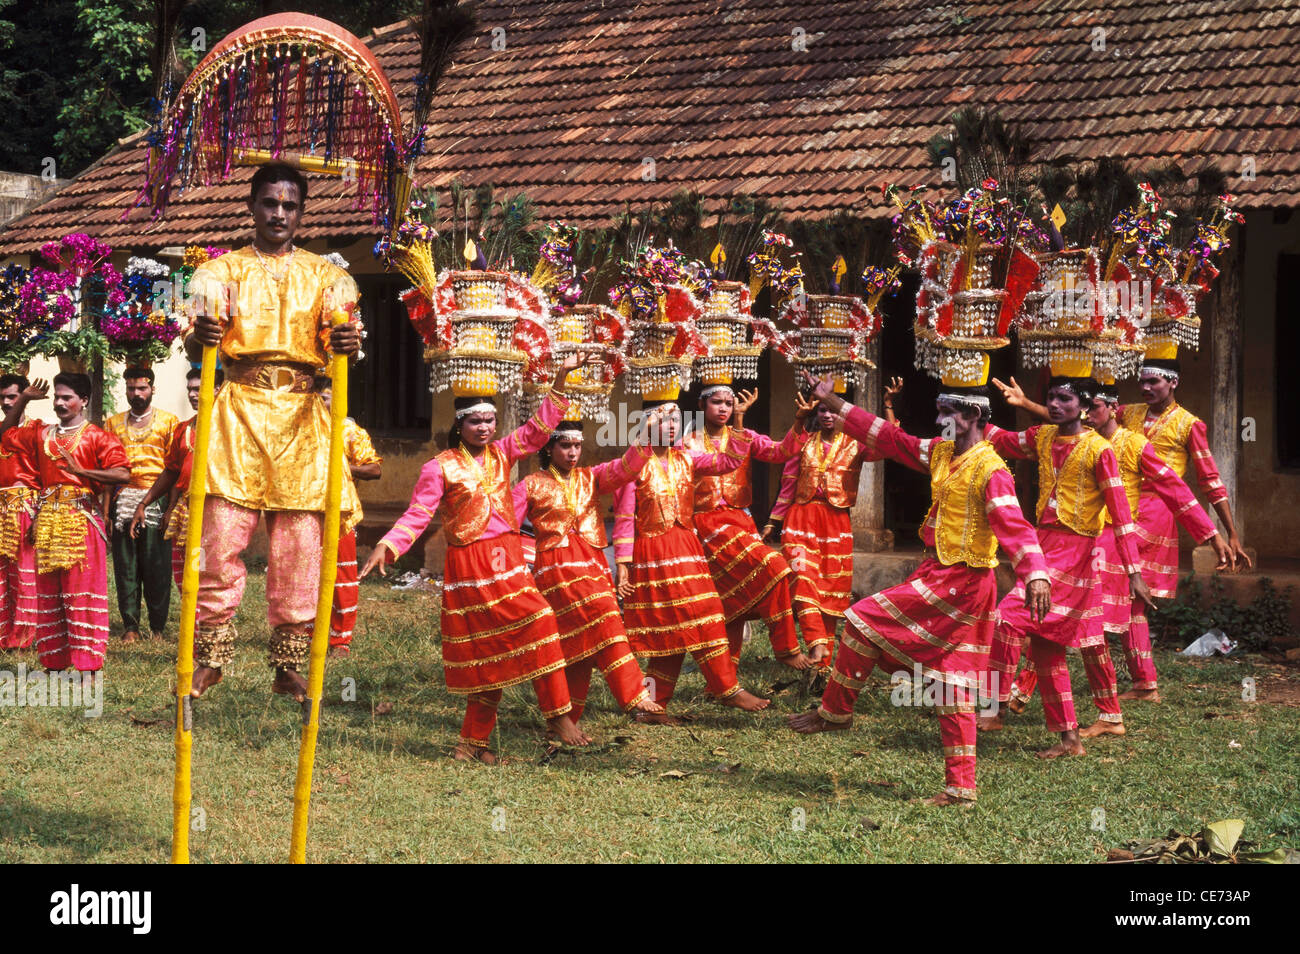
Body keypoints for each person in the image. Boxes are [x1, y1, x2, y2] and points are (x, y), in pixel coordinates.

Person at [788, 376, 1050, 806]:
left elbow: (1015, 527)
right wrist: (834, 400)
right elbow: (890, 438)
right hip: (938, 574)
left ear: (973, 416)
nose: (939, 418)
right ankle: (960, 789)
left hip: (964, 583)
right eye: (940, 410)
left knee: (861, 618)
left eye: (948, 412)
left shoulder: (992, 469)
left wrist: (1036, 572)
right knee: (954, 685)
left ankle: (836, 713)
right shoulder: (942, 452)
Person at [183, 161, 363, 701]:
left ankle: (290, 662)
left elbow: (346, 343)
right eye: (269, 203)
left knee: (301, 547)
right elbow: (195, 343)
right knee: (219, 540)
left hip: (304, 417)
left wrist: (348, 346)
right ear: (252, 206)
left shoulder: (331, 276)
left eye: (289, 205)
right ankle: (210, 656)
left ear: (301, 212)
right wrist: (202, 335)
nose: (278, 213)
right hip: (237, 409)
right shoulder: (217, 272)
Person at [360, 355, 594, 763]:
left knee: (528, 627)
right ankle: (512, 730)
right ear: (460, 425)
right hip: (470, 563)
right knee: (500, 642)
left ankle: (512, 730)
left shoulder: (505, 453)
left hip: (507, 556)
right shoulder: (440, 467)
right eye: (475, 422)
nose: (484, 428)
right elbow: (419, 512)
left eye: (489, 421)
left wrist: (559, 378)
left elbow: (538, 432)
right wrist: (390, 544)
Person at [996, 367, 1242, 701]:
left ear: (1110, 408)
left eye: (1092, 407)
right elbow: (1060, 414)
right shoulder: (1089, 433)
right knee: (1101, 614)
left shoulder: (1136, 442)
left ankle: (1044, 690)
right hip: (1084, 537)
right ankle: (1131, 690)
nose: (1085, 413)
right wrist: (1026, 404)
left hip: (1121, 533)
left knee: (1095, 617)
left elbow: (1177, 489)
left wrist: (1215, 535)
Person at [980, 377, 1150, 758]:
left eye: (1065, 398)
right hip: (1043, 548)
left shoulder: (1100, 450)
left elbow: (1121, 517)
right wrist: (974, 411)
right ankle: (1070, 740)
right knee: (1046, 650)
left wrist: (1134, 574)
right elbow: (1005, 440)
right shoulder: (1042, 437)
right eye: (1052, 397)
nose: (1055, 404)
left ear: (1085, 406)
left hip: (1075, 556)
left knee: (1007, 618)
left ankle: (995, 705)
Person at [611, 399, 771, 714]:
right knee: (681, 624)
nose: (672, 427)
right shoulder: (633, 466)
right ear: (647, 426)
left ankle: (682, 698)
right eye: (664, 421)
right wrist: (623, 567)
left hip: (686, 546)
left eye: (676, 422)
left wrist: (738, 419)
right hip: (653, 552)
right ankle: (705, 694)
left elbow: (728, 462)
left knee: (695, 619)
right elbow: (625, 518)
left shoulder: (688, 458)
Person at [512, 418, 665, 724]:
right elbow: (506, 527)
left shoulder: (592, 477)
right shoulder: (530, 484)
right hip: (556, 568)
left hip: (595, 565)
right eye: (565, 445)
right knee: (606, 613)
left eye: (577, 446)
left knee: (578, 645)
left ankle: (566, 719)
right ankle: (636, 694)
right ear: (549, 447)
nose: (572, 453)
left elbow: (626, 468)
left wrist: (645, 437)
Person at [0, 375, 130, 671]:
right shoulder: (42, 434)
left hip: (80, 520)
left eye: (67, 398)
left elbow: (123, 474)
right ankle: (55, 663)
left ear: (83, 401)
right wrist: (23, 400)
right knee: (49, 596)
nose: (59, 403)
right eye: (57, 398)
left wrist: (81, 470)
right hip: (47, 521)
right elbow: (4, 435)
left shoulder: (97, 436)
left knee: (80, 594)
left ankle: (88, 666)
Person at [684, 384, 815, 670]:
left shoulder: (747, 437)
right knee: (774, 566)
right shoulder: (686, 444)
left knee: (738, 593)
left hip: (742, 521)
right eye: (716, 402)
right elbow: (720, 463)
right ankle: (786, 649)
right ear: (702, 405)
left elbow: (781, 452)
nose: (723, 409)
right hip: (708, 524)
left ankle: (725, 671)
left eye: (728, 404)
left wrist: (799, 420)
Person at [764, 389, 883, 665]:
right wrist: (774, 520)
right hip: (800, 517)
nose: (828, 415)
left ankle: (821, 665)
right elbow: (789, 483)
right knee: (803, 578)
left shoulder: (856, 444)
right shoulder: (803, 443)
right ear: (815, 414)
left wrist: (887, 408)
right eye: (822, 410)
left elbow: (887, 446)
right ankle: (816, 643)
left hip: (836, 522)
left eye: (834, 410)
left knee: (830, 590)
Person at [130, 368, 224, 587]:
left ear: (218, 390)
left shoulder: (230, 428)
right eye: (189, 389)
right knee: (188, 576)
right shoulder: (184, 429)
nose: (192, 395)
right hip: (186, 510)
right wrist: (144, 503)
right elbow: (171, 471)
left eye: (198, 389)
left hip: (215, 511)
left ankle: (210, 620)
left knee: (208, 576)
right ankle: (193, 621)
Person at [105, 366, 178, 642]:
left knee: (157, 566)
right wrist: (107, 512)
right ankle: (131, 627)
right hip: (124, 500)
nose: (136, 394)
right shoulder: (112, 424)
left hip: (156, 499)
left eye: (142, 388)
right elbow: (109, 470)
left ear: (152, 389)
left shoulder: (169, 422)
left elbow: (174, 470)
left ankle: (157, 628)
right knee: (126, 566)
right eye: (131, 389)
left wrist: (170, 508)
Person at [316, 376, 382, 658]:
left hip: (340, 512)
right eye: (316, 397)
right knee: (305, 573)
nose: (320, 402)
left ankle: (341, 640)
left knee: (342, 575)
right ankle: (304, 633)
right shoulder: (302, 429)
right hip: (304, 510)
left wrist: (341, 467)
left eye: (326, 397)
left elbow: (374, 469)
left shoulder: (349, 430)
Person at [0, 373, 44, 649]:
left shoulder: (39, 430)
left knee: (25, 573)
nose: (6, 402)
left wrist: (39, 515)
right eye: (2, 397)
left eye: (12, 397)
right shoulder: (3, 429)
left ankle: (24, 637)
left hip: (26, 506)